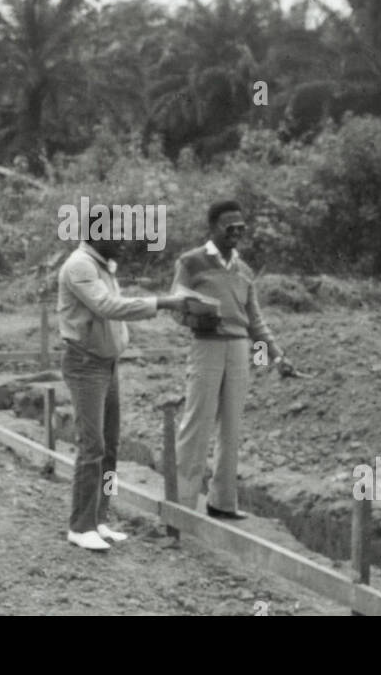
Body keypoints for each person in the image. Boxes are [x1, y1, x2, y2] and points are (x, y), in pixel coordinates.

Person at [57, 227, 188, 550]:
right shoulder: (80, 265)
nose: (123, 241)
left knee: (110, 446)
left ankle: (99, 519)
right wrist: (165, 302)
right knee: (92, 446)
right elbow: (108, 306)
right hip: (86, 364)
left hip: (106, 364)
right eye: (116, 235)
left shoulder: (103, 265)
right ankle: (80, 525)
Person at [171, 199, 296, 520]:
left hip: (239, 349)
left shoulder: (244, 271)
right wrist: (196, 319)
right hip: (207, 347)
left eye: (241, 228)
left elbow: (255, 320)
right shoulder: (191, 262)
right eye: (230, 228)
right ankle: (182, 504)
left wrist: (276, 355)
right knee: (197, 424)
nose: (236, 234)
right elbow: (176, 307)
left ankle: (222, 502)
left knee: (231, 426)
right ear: (213, 228)